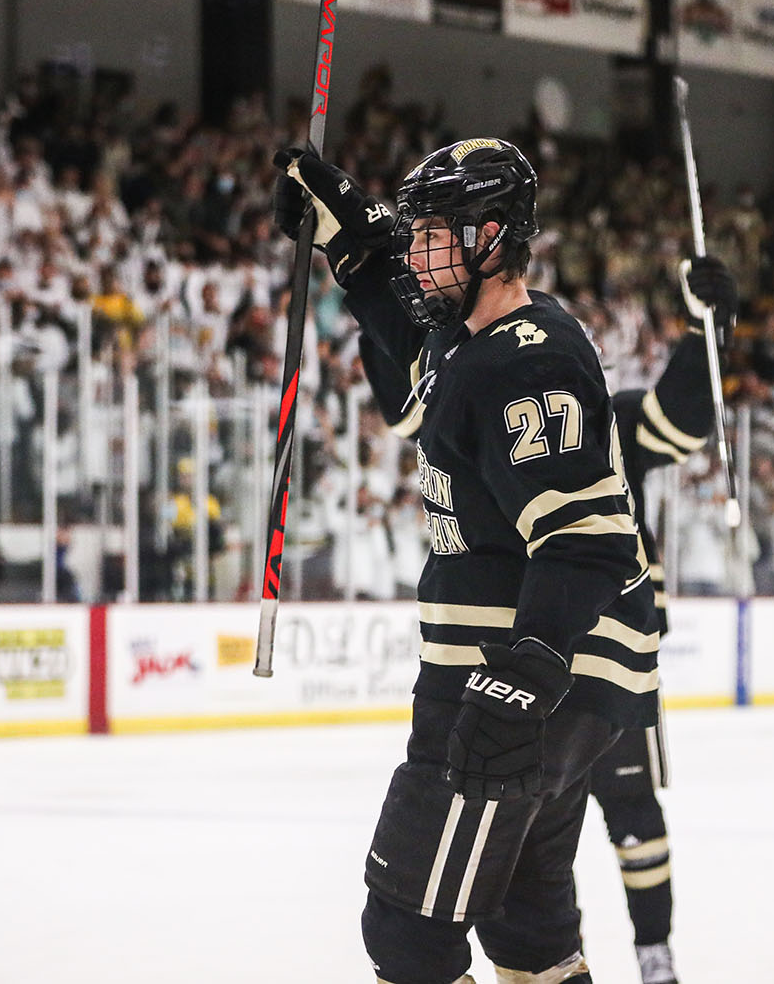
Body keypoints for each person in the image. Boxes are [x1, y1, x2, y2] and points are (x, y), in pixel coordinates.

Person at [277, 137, 660, 984]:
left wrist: (527, 669)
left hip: (516, 685)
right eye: (410, 236)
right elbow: (400, 323)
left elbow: (584, 536)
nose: (415, 255)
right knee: (528, 929)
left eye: (431, 237)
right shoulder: (471, 344)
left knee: (409, 928)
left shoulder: (528, 359)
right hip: (548, 688)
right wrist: (346, 229)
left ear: (490, 238)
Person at [584, 254, 736, 984]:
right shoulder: (492, 409)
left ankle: (654, 952)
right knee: (523, 830)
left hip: (616, 658)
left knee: (633, 811)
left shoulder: (608, 425)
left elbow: (677, 421)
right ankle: (547, 957)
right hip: (524, 655)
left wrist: (706, 335)